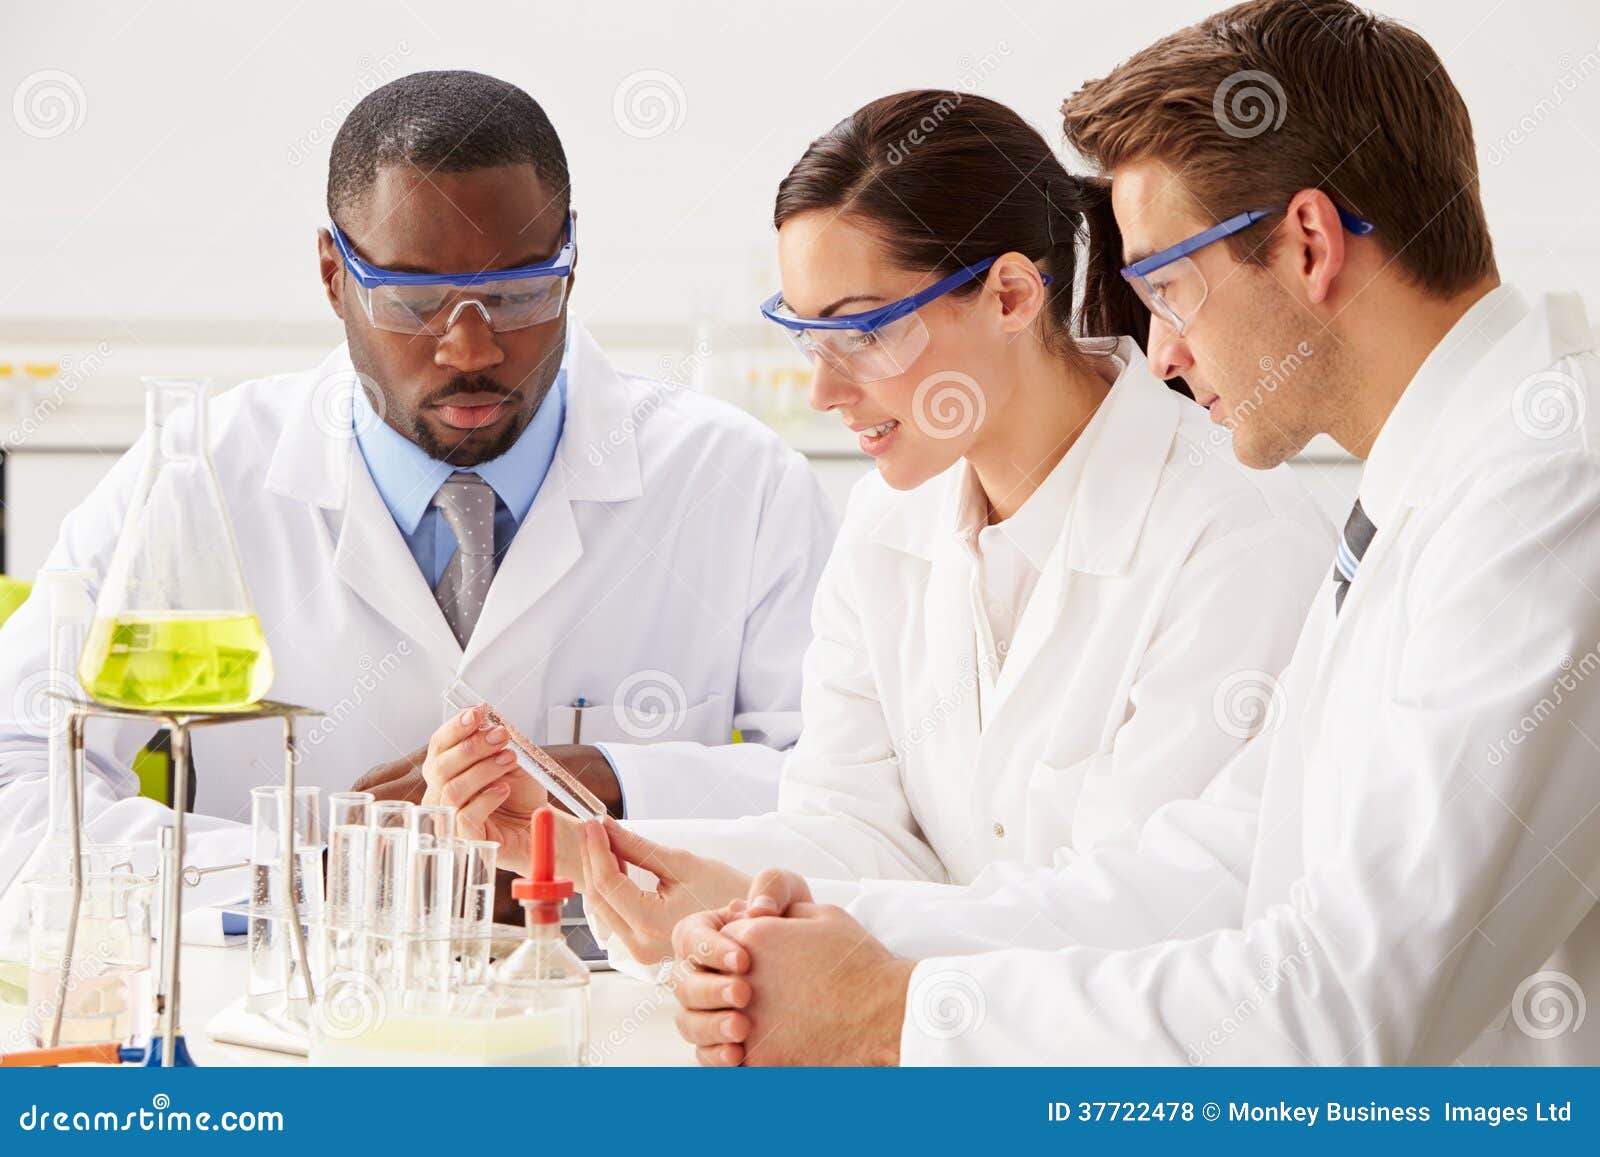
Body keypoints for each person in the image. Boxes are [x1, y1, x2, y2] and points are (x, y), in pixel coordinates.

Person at [666, 0, 1600, 1067]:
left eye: (1163, 286)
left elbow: (1351, 1001)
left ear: (1307, 243)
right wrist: (842, 949)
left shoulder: (1551, 498)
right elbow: (1221, 868)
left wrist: (895, 1012)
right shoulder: (1438, 486)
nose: (1155, 352)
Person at [425, 92, 1333, 943]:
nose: (824, 389)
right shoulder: (886, 522)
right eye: (807, 336)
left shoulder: (1236, 536)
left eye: (861, 333)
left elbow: (1143, 918)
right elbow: (850, 830)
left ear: (1012, 296)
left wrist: (753, 919)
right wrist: (593, 846)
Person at [0, 71, 833, 910]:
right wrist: (313, 867)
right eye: (412, 299)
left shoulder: (738, 481)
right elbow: (16, 773)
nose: (469, 348)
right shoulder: (194, 475)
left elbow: (852, 805)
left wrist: (612, 784)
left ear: (572, 267)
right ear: (334, 275)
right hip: (286, 1018)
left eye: (515, 294)